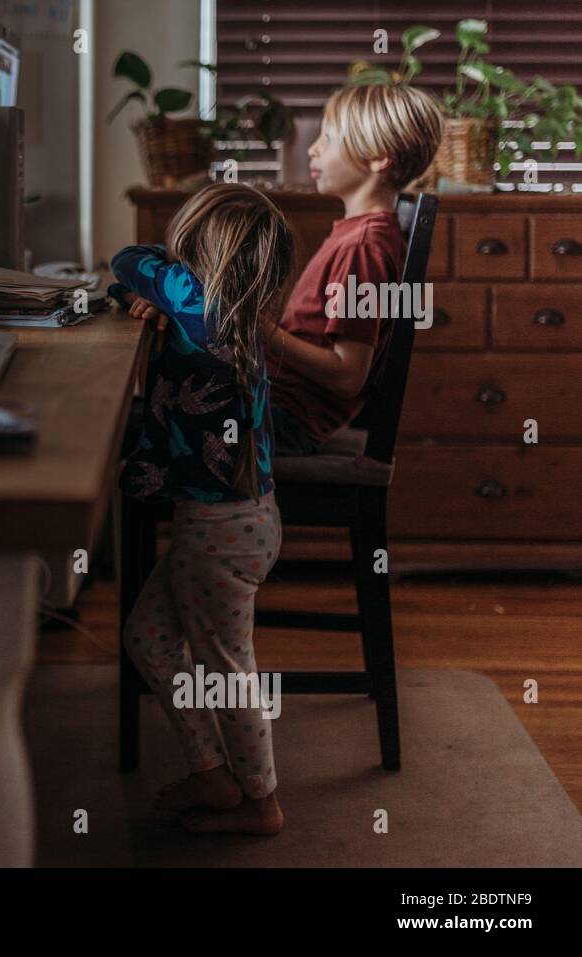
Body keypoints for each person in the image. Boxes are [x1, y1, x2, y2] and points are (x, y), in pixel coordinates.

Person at [111, 183, 296, 835]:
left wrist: (157, 274)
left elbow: (130, 259)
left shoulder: (201, 307)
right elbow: (150, 284)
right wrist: (156, 300)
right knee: (148, 637)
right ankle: (214, 775)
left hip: (222, 531)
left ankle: (261, 801)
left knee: (228, 668)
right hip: (236, 524)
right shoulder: (228, 316)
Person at [131, 83, 445, 456]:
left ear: (379, 158)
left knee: (120, 428)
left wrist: (255, 325)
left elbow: (348, 376)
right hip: (271, 405)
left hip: (283, 421)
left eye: (328, 139)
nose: (314, 148)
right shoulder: (361, 236)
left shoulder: (364, 248)